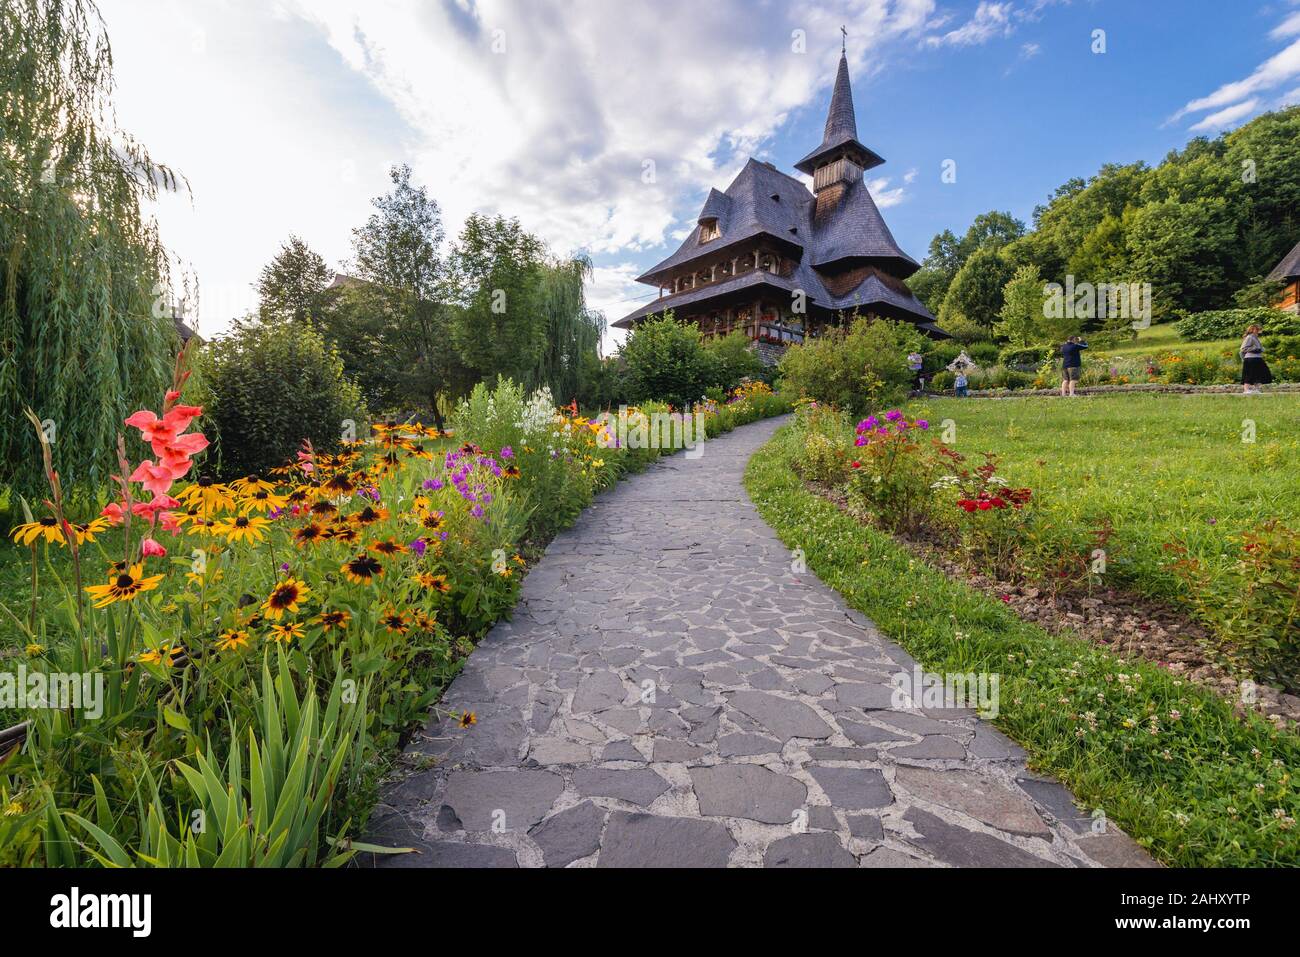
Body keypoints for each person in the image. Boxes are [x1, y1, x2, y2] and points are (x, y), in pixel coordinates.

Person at [1240, 324, 1272, 395]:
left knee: (1260, 373)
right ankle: (1246, 390)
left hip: (1258, 358)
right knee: (1249, 374)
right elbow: (1243, 349)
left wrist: (1261, 349)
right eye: (1258, 329)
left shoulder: (1256, 337)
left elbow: (1258, 347)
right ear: (1253, 330)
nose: (1259, 331)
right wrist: (1255, 349)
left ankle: (1257, 389)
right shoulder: (1249, 337)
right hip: (1250, 358)